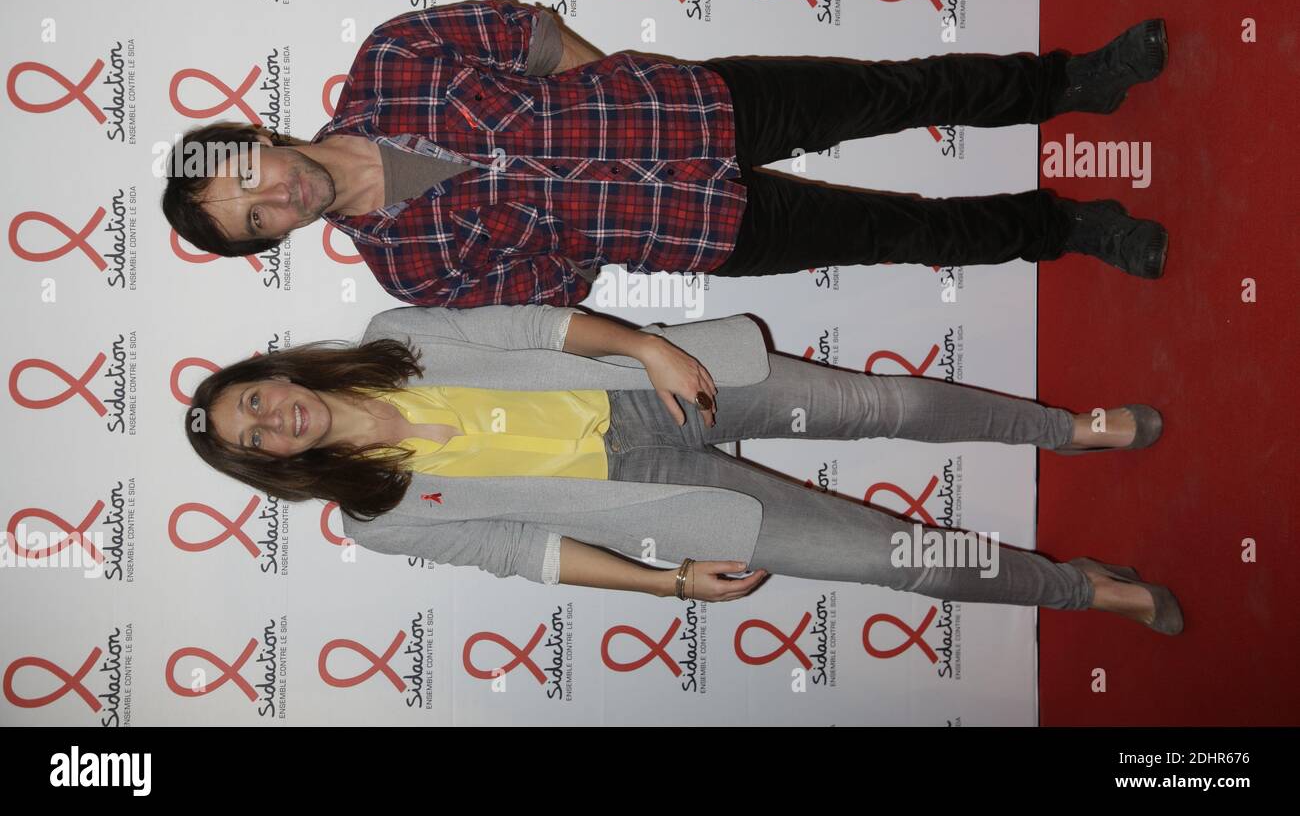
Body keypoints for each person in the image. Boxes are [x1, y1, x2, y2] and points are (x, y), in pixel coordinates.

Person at [184, 303, 1183, 634]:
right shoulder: (375, 514)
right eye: (256, 435)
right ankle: (1086, 588)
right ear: (273, 464)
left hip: (652, 386)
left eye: (256, 396)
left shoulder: (390, 336)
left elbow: (533, 322)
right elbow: (521, 549)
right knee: (899, 560)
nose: (274, 417)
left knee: (889, 403)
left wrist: (650, 349)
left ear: (275, 373)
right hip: (653, 501)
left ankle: (1068, 427)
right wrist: (664, 580)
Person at [161, 0, 1170, 308]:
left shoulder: (392, 58)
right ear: (272, 240)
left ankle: (1071, 82)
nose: (276, 197)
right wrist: (591, 222)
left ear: (255, 135)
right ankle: (1070, 226)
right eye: (256, 222)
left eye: (250, 178)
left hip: (694, 104)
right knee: (897, 233)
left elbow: (533, 34)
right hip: (697, 229)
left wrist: (615, 88)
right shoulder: (409, 268)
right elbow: (552, 293)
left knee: (897, 92)